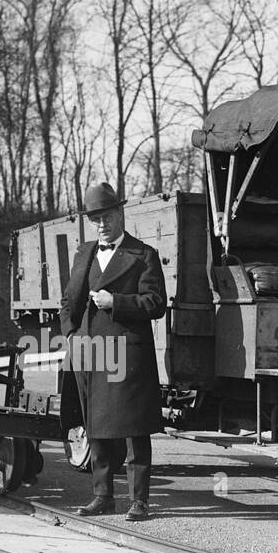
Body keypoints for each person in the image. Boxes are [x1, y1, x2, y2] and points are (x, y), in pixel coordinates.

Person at [59, 182, 167, 522]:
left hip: (127, 353)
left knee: (135, 427)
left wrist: (115, 301)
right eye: (96, 219)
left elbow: (156, 303)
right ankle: (102, 496)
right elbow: (67, 301)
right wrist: (72, 335)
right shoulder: (84, 253)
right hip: (90, 351)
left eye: (107, 217)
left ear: (120, 214)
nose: (102, 224)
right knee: (96, 425)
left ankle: (139, 500)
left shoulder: (143, 254)